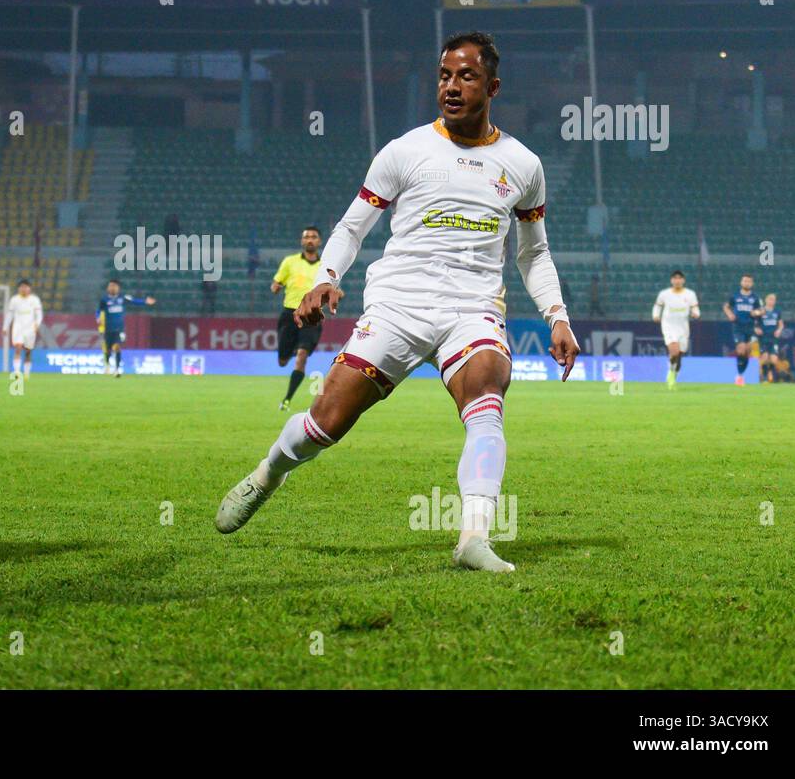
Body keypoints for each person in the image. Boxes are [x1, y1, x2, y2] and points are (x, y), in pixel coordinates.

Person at [215, 31, 579, 574]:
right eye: (444, 75)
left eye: (466, 76)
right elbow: (353, 225)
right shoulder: (405, 150)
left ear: (493, 86)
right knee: (326, 423)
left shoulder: (523, 165)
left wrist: (558, 316)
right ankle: (270, 472)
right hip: (398, 306)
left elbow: (534, 253)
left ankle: (473, 539)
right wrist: (327, 277)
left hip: (473, 310)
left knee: (487, 396)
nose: (451, 86)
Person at [272, 227, 324, 410]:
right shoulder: (290, 262)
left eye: (313, 237)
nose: (310, 240)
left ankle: (287, 400)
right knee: (282, 361)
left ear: (319, 241)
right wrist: (276, 286)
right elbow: (277, 282)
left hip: (312, 316)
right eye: (306, 237)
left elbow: (333, 288)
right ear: (302, 241)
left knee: (302, 357)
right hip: (289, 315)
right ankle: (294, 347)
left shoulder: (325, 265)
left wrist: (337, 293)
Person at [652, 270, 700, 388]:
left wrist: (696, 314)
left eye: (679, 278)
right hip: (668, 325)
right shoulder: (664, 294)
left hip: (683, 326)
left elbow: (695, 308)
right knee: (674, 349)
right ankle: (670, 372)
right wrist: (655, 315)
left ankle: (674, 373)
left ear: (683, 280)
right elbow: (657, 306)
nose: (677, 280)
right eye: (675, 278)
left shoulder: (690, 294)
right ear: (671, 280)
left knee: (679, 355)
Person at [97, 279, 155, 377]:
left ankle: (117, 369)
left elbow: (134, 301)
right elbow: (99, 310)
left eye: (114, 286)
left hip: (119, 329)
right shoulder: (104, 300)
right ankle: (107, 366)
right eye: (110, 286)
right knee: (107, 349)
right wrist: (98, 317)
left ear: (118, 288)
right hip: (108, 328)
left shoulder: (122, 298)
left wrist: (145, 301)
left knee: (117, 347)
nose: (112, 288)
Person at [721, 274, 762, 386]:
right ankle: (739, 377)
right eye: (745, 281)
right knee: (741, 349)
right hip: (738, 327)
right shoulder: (735, 296)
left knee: (746, 352)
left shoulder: (755, 298)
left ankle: (740, 375)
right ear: (741, 282)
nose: (746, 283)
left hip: (750, 327)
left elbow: (761, 311)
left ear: (752, 283)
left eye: (749, 281)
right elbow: (726, 306)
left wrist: (756, 313)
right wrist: (729, 314)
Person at [3, 280, 43, 379]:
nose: (24, 289)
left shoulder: (34, 300)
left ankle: (26, 373)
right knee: (18, 348)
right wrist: (5, 327)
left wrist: (37, 324)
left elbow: (39, 314)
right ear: (18, 289)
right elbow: (10, 314)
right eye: (22, 287)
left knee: (28, 351)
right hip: (18, 328)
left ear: (29, 288)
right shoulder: (14, 300)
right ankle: (17, 372)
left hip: (30, 328)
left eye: (26, 287)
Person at [756, 293, 784, 383]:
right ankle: (764, 376)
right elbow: (754, 323)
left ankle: (770, 371)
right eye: (770, 299)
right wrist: (756, 329)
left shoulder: (777, 312)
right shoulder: (761, 310)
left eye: (773, 299)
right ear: (766, 300)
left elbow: (781, 324)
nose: (772, 301)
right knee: (764, 357)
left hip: (773, 338)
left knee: (774, 359)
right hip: (763, 338)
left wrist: (779, 330)